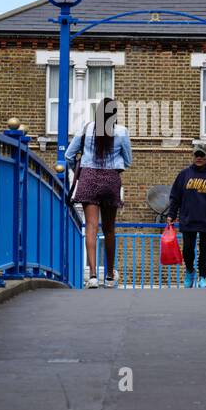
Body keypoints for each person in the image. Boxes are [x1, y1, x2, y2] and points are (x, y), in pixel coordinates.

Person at [65, 98, 132, 289]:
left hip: (88, 177)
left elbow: (69, 155)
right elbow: (128, 161)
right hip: (111, 179)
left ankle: (93, 276)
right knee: (109, 229)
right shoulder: (121, 132)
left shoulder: (87, 129)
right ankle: (110, 276)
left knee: (91, 228)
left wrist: (78, 169)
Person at [166, 143, 206, 288]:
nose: (199, 158)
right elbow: (175, 197)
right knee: (187, 248)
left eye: (202, 155)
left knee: (205, 249)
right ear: (193, 156)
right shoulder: (184, 174)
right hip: (188, 218)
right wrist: (171, 214)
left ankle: (202, 277)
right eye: (196, 155)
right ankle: (189, 271)